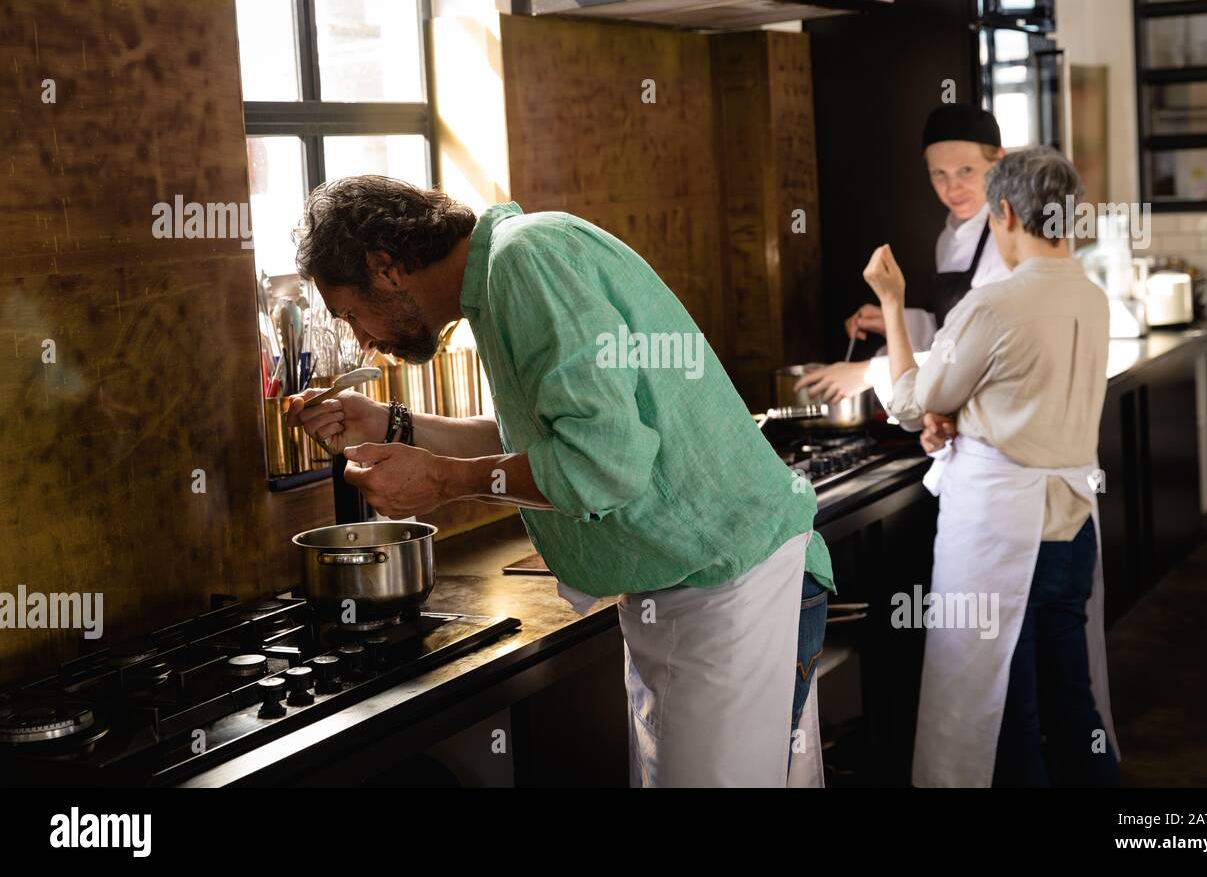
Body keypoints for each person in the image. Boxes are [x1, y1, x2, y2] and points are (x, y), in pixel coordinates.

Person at [284, 176, 835, 787]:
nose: (365, 341)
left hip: (730, 586)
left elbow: (602, 461)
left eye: (352, 316)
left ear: (385, 268)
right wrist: (393, 422)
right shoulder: (502, 275)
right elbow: (540, 440)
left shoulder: (525, 260)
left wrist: (442, 481)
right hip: (702, 586)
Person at [862, 147, 1121, 787]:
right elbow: (1011, 391)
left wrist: (893, 305)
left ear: (1003, 211)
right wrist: (963, 413)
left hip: (1003, 532)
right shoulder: (1092, 297)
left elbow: (908, 402)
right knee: (1071, 703)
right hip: (1072, 527)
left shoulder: (995, 304)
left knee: (1002, 706)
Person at [795, 104, 1009, 403]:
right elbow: (949, 332)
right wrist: (895, 320)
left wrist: (868, 372)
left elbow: (973, 353)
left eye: (966, 170)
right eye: (939, 174)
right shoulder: (948, 238)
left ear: (998, 162)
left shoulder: (1008, 240)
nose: (952, 188)